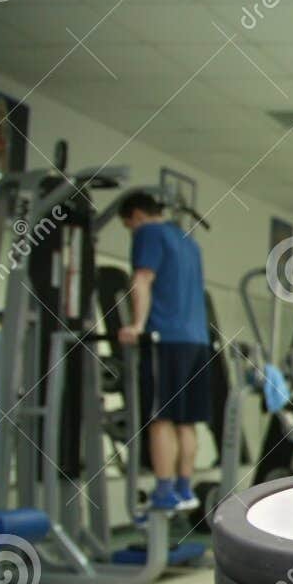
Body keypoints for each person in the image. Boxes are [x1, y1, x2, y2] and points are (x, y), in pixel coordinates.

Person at [117, 190, 209, 512]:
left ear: (137, 217)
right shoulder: (189, 242)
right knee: (186, 422)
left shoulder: (148, 233)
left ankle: (164, 490)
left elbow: (142, 279)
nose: (132, 231)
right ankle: (185, 489)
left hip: (166, 338)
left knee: (160, 418)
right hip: (197, 340)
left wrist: (137, 326)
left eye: (129, 226)